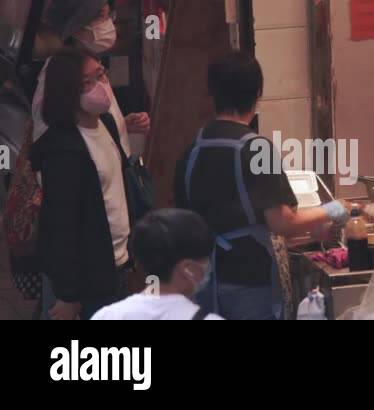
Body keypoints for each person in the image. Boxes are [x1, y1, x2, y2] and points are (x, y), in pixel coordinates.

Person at [174, 51, 349, 320]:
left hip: (202, 279)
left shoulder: (192, 150)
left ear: (213, 93)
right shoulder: (256, 148)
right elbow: (282, 222)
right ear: (258, 92)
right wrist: (334, 209)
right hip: (249, 280)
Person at [30, 48, 132, 320]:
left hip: (117, 264)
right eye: (88, 82)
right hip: (89, 277)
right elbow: (61, 225)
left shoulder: (107, 124)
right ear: (69, 92)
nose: (101, 86)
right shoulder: (63, 151)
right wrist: (68, 294)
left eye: (101, 74)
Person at [32, 0, 150, 145]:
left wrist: (119, 127)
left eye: (108, 13)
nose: (109, 22)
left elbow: (88, 132)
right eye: (101, 16)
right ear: (78, 29)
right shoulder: (54, 84)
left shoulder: (90, 67)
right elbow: (60, 152)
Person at [92, 209, 222, 321]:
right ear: (189, 269)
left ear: (138, 263)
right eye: (205, 260)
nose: (207, 267)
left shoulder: (105, 316)